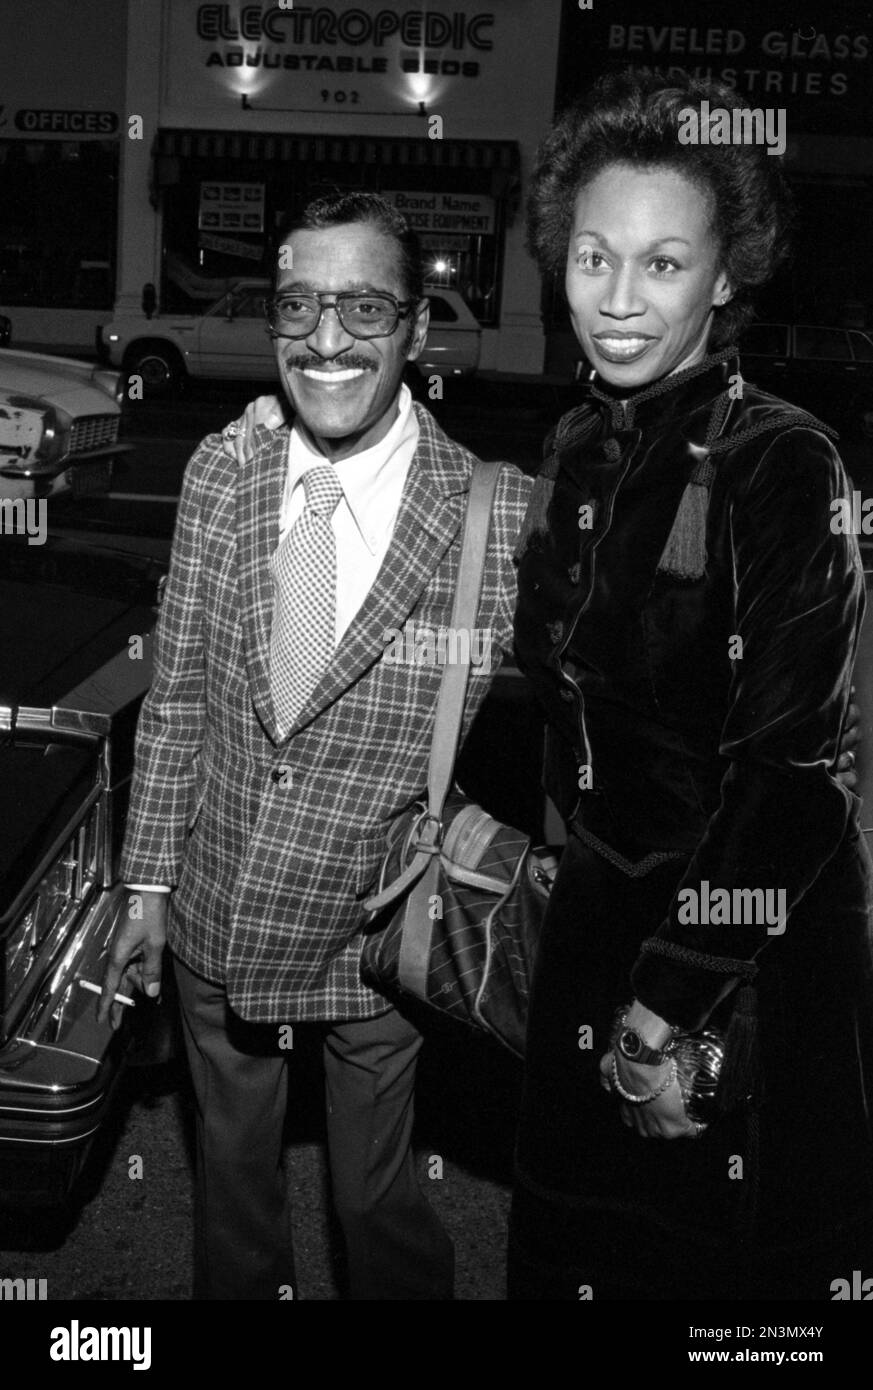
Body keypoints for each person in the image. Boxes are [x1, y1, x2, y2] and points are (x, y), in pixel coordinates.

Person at [100, 191, 531, 1300]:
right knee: (232, 1187)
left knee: (372, 1201)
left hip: (378, 930)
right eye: (299, 305)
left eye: (363, 307)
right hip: (216, 909)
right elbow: (182, 690)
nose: (327, 337)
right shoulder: (221, 472)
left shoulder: (500, 515)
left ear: (418, 331)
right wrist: (146, 886)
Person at [506, 69, 873, 1301]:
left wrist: (666, 1010)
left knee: (716, 1284)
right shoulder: (579, 443)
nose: (615, 300)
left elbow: (794, 780)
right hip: (600, 926)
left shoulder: (782, 460)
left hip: (734, 963)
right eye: (593, 257)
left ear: (726, 280)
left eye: (663, 266)